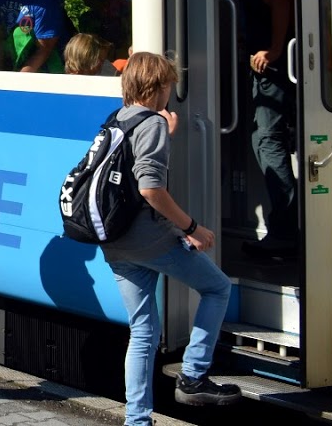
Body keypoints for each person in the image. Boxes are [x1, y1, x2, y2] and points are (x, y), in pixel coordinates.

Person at [101, 52, 242, 419]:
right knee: (217, 287)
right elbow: (150, 188)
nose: (170, 95)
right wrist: (191, 227)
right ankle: (193, 376)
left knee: (144, 331)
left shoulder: (116, 120)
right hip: (150, 240)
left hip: (115, 243)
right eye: (169, 87)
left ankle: (138, 419)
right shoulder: (153, 125)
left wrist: (167, 135)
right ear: (158, 86)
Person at [221, 0, 297, 258]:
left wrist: (275, 49)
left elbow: (281, 4)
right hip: (273, 70)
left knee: (267, 142)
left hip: (270, 73)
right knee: (265, 140)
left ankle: (284, 233)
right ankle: (286, 227)